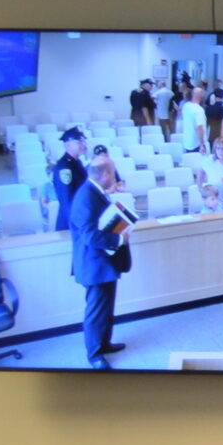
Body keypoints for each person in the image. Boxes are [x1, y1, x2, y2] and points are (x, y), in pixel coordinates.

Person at [65, 151, 131, 370]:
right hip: (94, 264)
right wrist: (119, 238)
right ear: (105, 174)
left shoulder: (96, 190)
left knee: (106, 307)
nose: (115, 176)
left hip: (104, 261)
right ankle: (94, 355)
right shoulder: (85, 196)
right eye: (112, 172)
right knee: (96, 311)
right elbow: (90, 236)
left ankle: (104, 344)